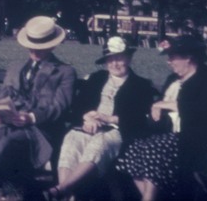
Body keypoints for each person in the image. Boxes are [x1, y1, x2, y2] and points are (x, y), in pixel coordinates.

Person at [0, 15, 77, 200]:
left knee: (7, 140)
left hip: (39, 130)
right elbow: (3, 99)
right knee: (0, 134)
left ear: (52, 46)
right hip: (8, 125)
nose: (35, 50)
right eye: (32, 45)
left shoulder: (65, 72)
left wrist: (30, 117)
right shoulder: (15, 68)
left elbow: (59, 106)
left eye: (40, 47)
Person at [113, 33, 207, 201]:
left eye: (172, 57)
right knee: (133, 147)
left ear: (188, 57)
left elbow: (204, 109)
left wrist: (165, 105)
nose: (169, 61)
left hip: (198, 136)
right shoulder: (172, 79)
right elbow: (160, 107)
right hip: (168, 133)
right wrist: (156, 108)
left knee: (154, 149)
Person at [51, 36, 157, 200]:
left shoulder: (141, 85)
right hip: (88, 126)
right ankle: (68, 197)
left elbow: (138, 119)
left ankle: (60, 190)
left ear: (129, 58)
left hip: (117, 131)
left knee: (98, 145)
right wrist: (87, 117)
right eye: (110, 60)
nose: (114, 64)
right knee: (72, 140)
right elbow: (77, 105)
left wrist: (108, 118)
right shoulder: (96, 78)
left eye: (119, 58)